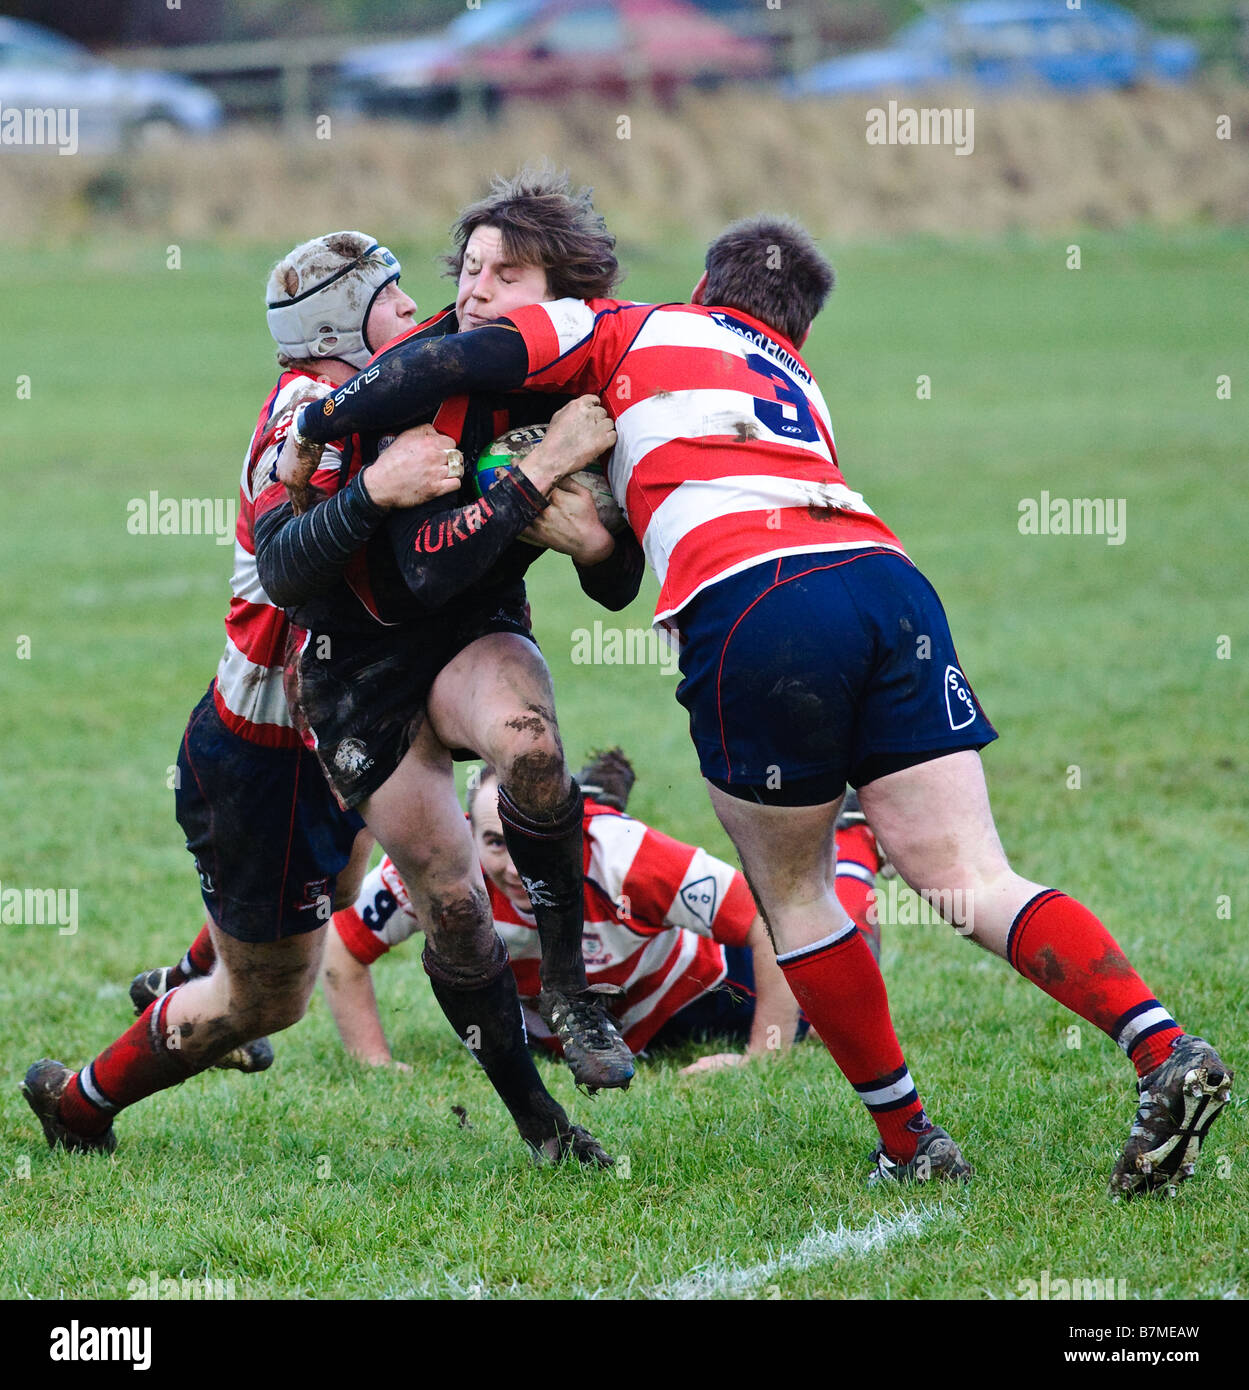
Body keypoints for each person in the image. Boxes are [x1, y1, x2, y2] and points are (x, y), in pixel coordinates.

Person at [282, 215, 1233, 1197]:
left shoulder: (634, 327)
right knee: (968, 870)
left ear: (699, 286)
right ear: (798, 327)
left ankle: (907, 1140)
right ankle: (1158, 1044)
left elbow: (470, 354)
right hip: (885, 579)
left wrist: (318, 424)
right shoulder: (794, 380)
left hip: (754, 599)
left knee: (795, 890)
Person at [22, 232, 462, 1153]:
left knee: (342, 877)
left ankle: (176, 975)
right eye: (393, 297)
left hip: (316, 737)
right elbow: (289, 550)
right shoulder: (315, 407)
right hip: (263, 757)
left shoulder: (348, 393)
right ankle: (78, 1104)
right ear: (342, 317)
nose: (413, 311)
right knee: (269, 1000)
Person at [248, 170, 650, 1164]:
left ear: (563, 291)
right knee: (456, 906)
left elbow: (617, 580)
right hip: (358, 663)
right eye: (467, 267)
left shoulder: (592, 382)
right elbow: (421, 570)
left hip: (473, 631)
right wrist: (532, 475)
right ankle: (538, 1120)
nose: (474, 289)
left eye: (503, 273)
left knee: (534, 752)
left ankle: (572, 988)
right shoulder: (416, 373)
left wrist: (597, 545)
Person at [321, 749, 840, 1070]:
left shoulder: (625, 855)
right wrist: (375, 1063)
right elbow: (341, 948)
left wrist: (760, 1059)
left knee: (822, 1006)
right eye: (496, 843)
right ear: (467, 833)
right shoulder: (442, 865)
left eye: (530, 845)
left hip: (687, 996)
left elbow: (764, 918)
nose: (516, 868)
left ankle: (856, 844)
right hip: (557, 1032)